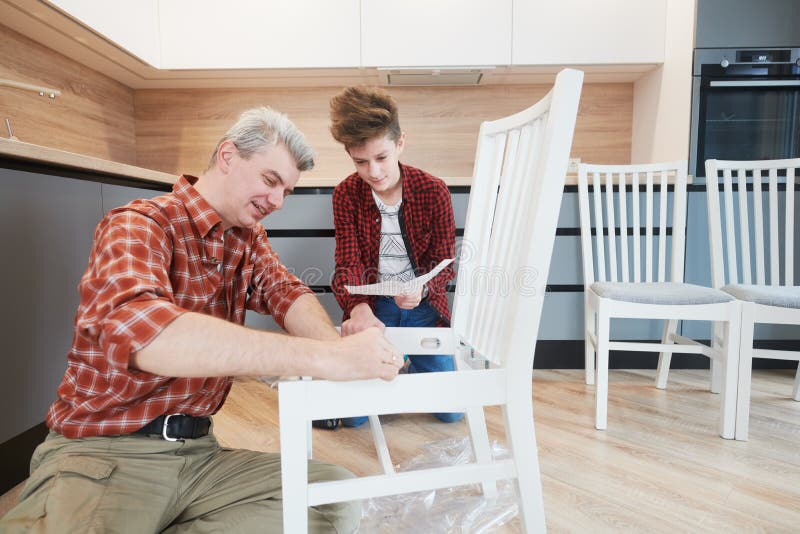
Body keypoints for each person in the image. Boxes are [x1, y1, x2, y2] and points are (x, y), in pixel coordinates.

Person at [0, 107, 403, 534]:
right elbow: (150, 337)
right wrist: (324, 361)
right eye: (270, 181)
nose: (277, 202)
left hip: (199, 456)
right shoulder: (139, 224)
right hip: (107, 452)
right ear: (228, 156)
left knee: (331, 497)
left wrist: (335, 348)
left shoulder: (248, 239)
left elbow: (287, 293)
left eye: (286, 190)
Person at [325, 86, 463, 429]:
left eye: (382, 157)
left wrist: (425, 290)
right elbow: (348, 262)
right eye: (360, 161)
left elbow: (444, 259)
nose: (373, 171)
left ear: (400, 142)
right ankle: (395, 362)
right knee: (354, 419)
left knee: (452, 412)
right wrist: (357, 308)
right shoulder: (346, 194)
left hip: (423, 309)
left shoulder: (433, 190)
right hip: (376, 308)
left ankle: (411, 362)